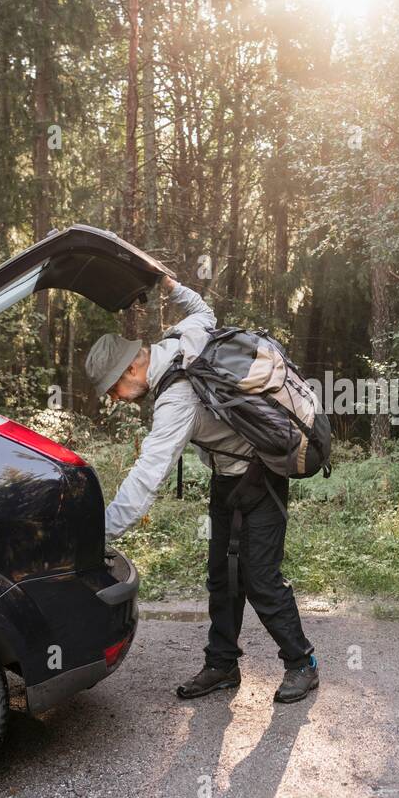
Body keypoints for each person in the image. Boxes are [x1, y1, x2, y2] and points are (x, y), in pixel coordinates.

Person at [84, 275, 318, 703]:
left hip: (261, 477)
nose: (116, 397)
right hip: (227, 479)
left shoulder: (176, 400)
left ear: (133, 367)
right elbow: (203, 312)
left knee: (260, 577)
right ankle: (222, 664)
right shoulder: (181, 338)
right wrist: (173, 287)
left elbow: (146, 476)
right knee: (222, 576)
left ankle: (302, 663)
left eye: (115, 388)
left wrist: (97, 535)